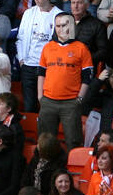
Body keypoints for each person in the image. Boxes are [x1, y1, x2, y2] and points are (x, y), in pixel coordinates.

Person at [37, 12, 94, 151]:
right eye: (58, 26)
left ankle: (70, 171)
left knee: (73, 142)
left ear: (72, 26)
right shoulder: (48, 47)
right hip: (48, 101)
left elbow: (88, 77)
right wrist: (40, 96)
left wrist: (79, 98)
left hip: (71, 103)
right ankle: (47, 171)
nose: (60, 29)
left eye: (64, 25)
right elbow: (41, 73)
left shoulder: (81, 48)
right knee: (45, 143)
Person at [17, 0, 62, 114]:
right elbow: (21, 37)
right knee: (29, 106)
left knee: (47, 106)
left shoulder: (59, 15)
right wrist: (21, 59)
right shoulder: (28, 13)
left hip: (48, 67)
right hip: (28, 66)